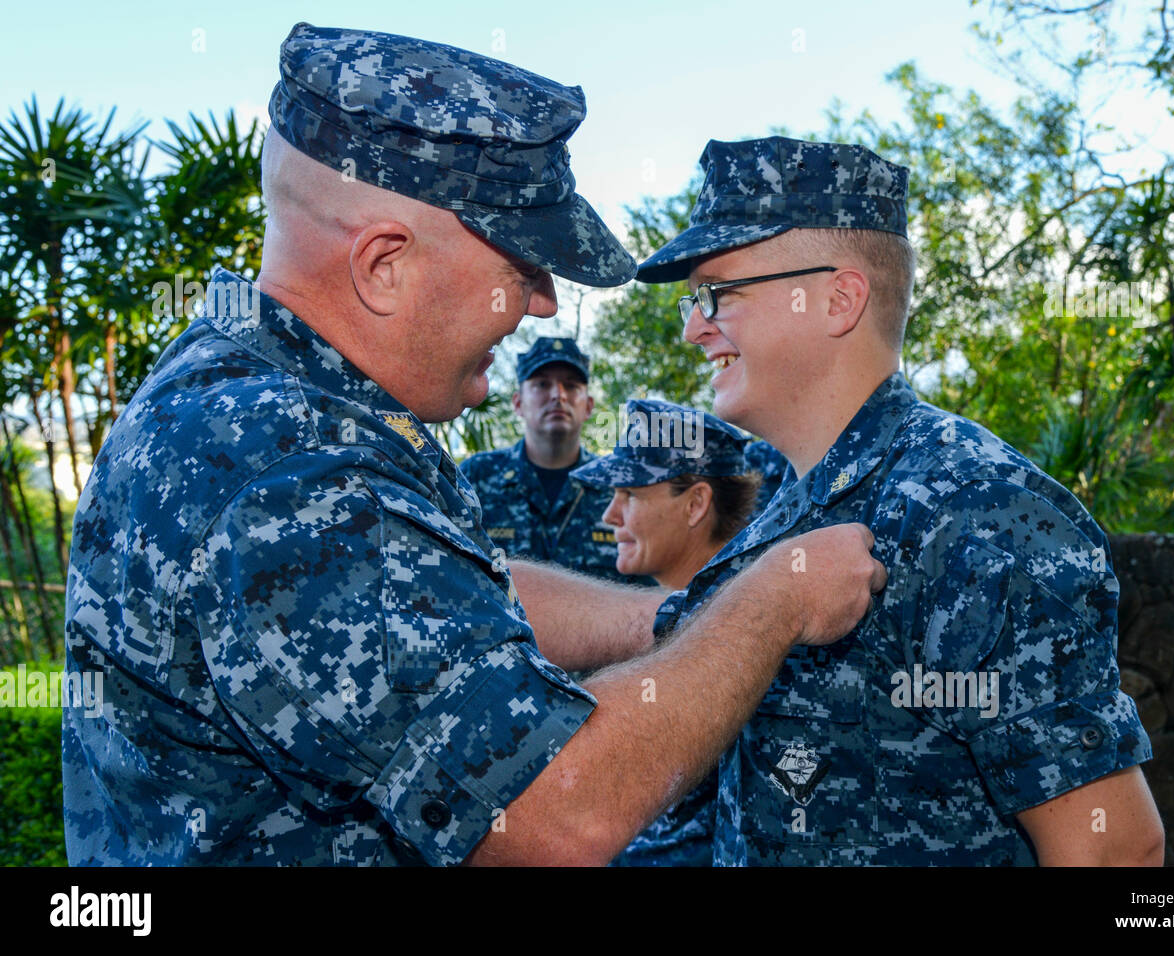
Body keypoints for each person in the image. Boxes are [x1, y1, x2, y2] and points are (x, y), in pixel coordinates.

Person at [60, 27, 887, 867]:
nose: (537, 303)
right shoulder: (290, 469)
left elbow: (457, 600)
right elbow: (555, 814)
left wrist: (678, 617)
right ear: (384, 265)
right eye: (523, 264)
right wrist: (775, 604)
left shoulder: (268, 396)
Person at [634, 135, 1164, 865]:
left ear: (838, 299)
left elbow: (1114, 851)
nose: (694, 326)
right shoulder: (788, 507)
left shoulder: (977, 509)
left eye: (718, 293)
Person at [570, 398, 759, 866]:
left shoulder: (741, 647)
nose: (609, 517)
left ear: (695, 504)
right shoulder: (676, 625)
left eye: (630, 494)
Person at [460, 337, 647, 584]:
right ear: (518, 403)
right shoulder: (477, 477)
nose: (558, 395)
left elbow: (643, 591)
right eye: (541, 385)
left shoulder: (618, 485)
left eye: (570, 386)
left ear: (589, 406)